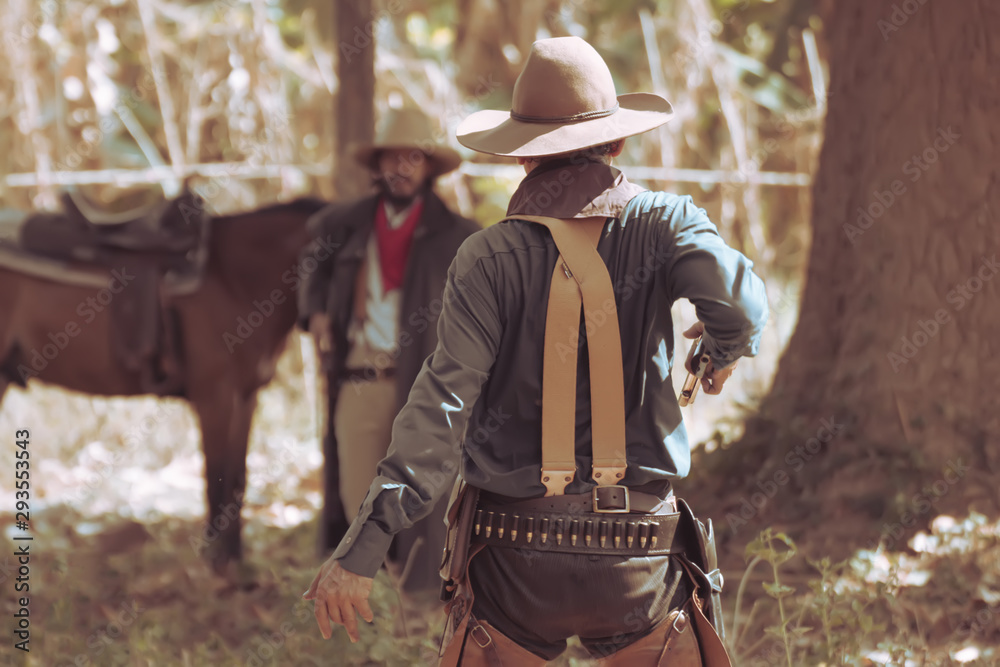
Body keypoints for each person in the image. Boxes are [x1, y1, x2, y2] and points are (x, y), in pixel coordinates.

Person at [305, 37, 768, 665]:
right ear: (618, 142)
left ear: (524, 158)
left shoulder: (485, 258)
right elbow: (740, 308)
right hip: (638, 556)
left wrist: (363, 549)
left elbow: (437, 416)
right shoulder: (668, 222)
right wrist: (720, 348)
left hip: (511, 558)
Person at [298, 106, 480, 613]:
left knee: (425, 498)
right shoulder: (344, 222)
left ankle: (420, 608)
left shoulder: (458, 233)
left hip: (427, 386)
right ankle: (368, 611)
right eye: (392, 157)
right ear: (378, 165)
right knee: (359, 498)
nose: (402, 167)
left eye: (413, 157)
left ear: (428, 167)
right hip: (359, 379)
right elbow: (310, 262)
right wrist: (314, 312)